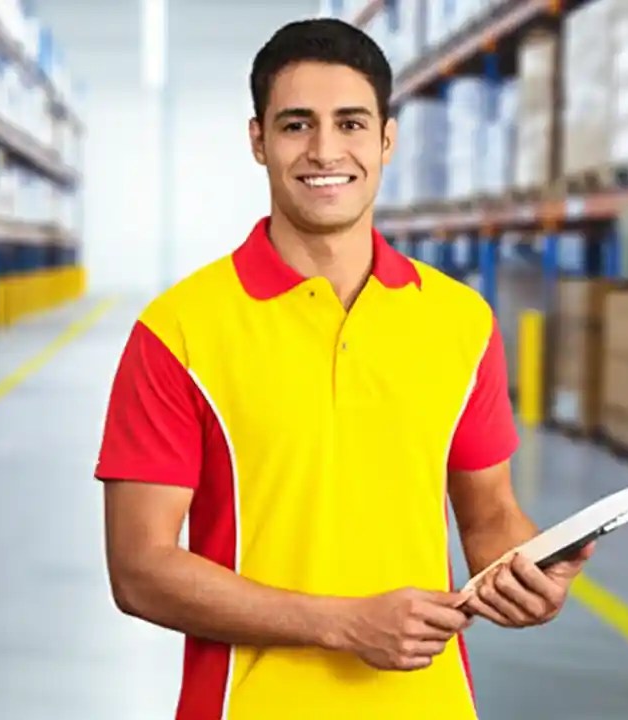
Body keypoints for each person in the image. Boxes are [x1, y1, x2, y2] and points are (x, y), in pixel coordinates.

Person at [93, 17, 593, 720]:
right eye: (296, 125)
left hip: (430, 703)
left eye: (351, 123)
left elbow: (490, 517)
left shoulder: (461, 322)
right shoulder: (177, 331)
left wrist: (531, 569)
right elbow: (140, 570)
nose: (325, 150)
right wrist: (341, 623)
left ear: (386, 140)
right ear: (258, 141)